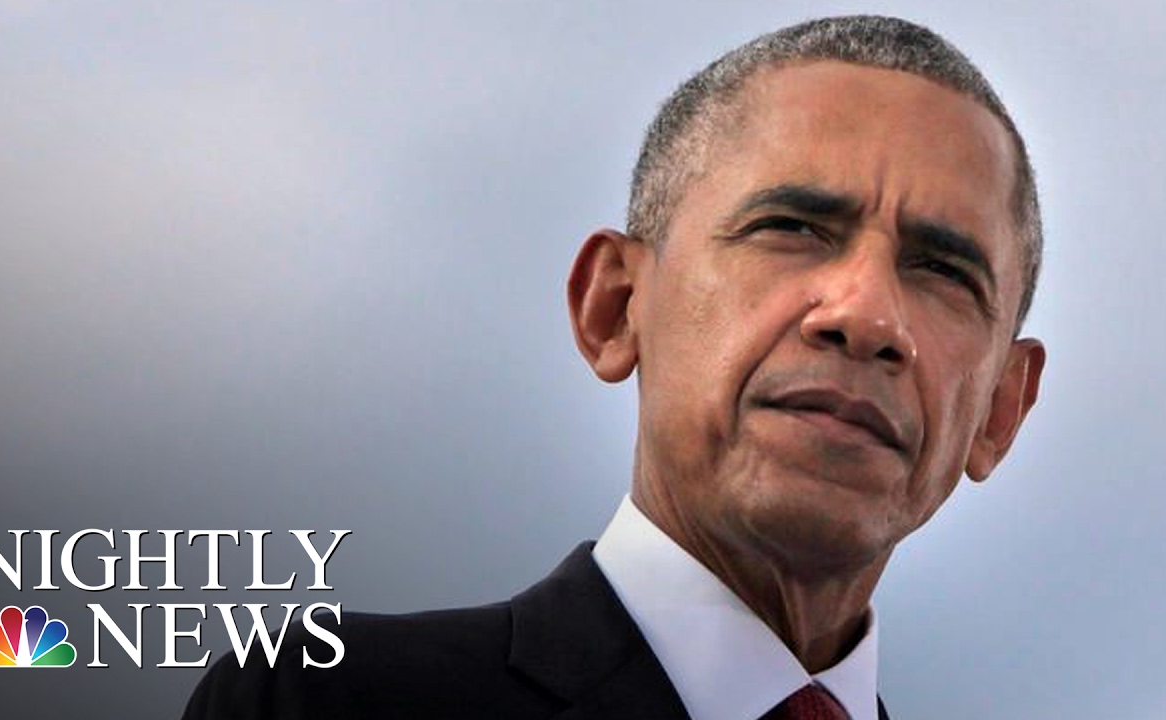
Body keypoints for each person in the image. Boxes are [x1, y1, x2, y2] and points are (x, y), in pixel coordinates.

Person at [182, 15, 1045, 720]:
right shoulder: (330, 703)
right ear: (615, 308)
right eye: (793, 227)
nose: (865, 315)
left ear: (1001, 412)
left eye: (943, 270)